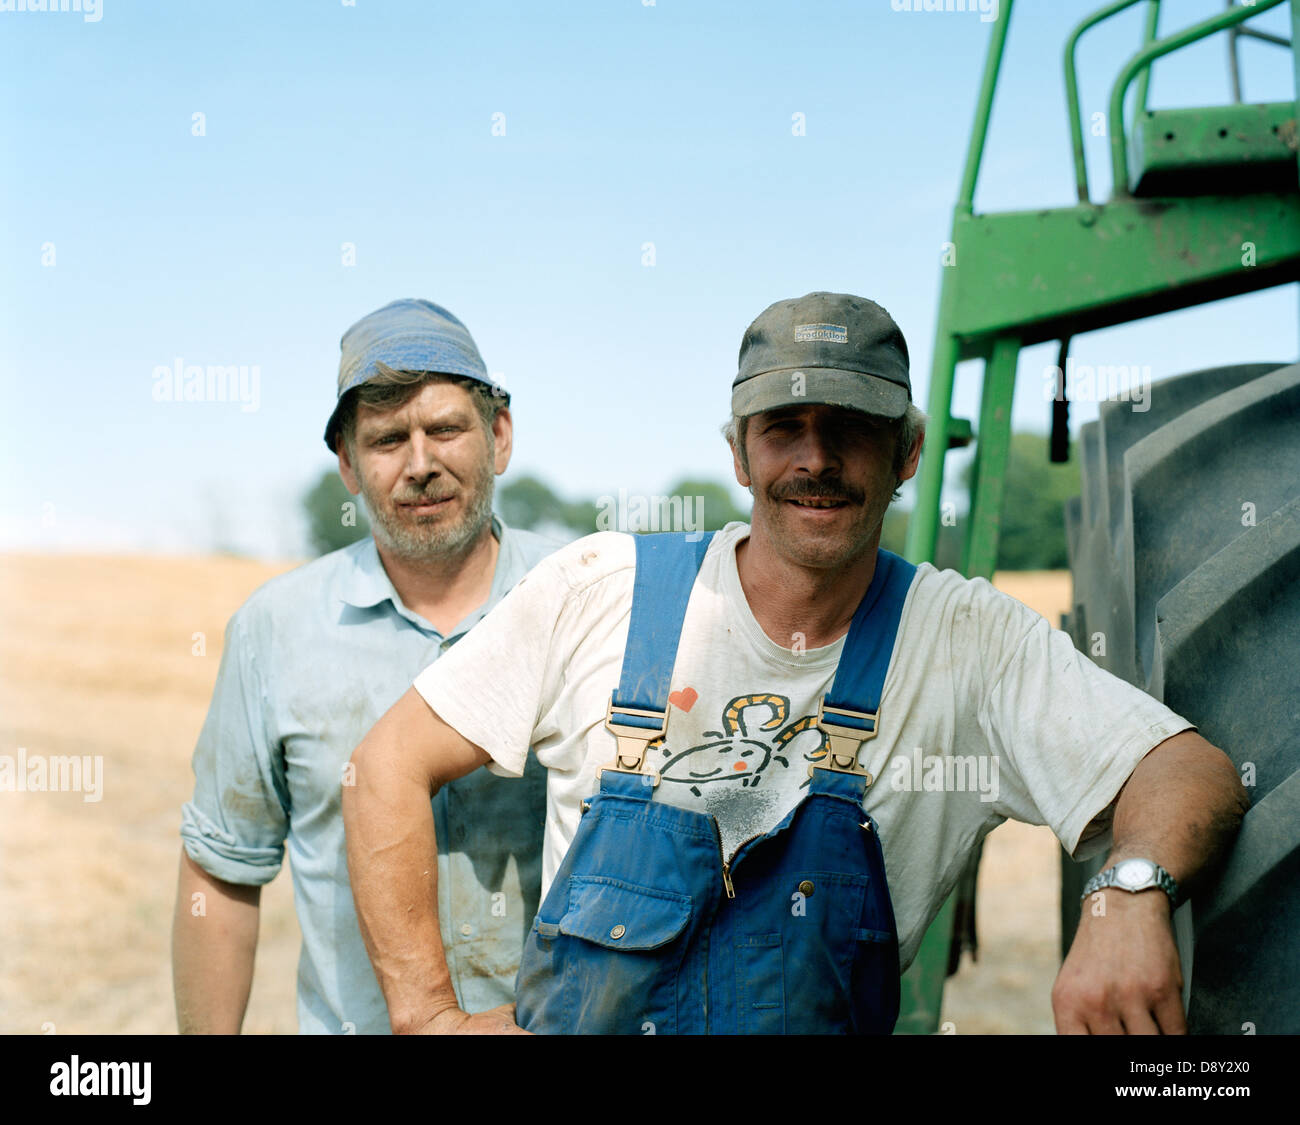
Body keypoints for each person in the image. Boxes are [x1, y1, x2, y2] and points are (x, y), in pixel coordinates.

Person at [343, 291, 1249, 1035]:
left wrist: (1129, 893)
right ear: (738, 451)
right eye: (785, 427)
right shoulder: (601, 589)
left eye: (852, 426)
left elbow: (1187, 768)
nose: (817, 459)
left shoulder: (965, 640)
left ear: (907, 454)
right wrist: (429, 1017)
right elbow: (385, 764)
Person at [172, 298, 559, 1034]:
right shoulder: (275, 629)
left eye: (446, 428)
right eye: (387, 440)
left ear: (499, 436)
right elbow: (223, 871)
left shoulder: (584, 600)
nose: (421, 464)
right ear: (348, 463)